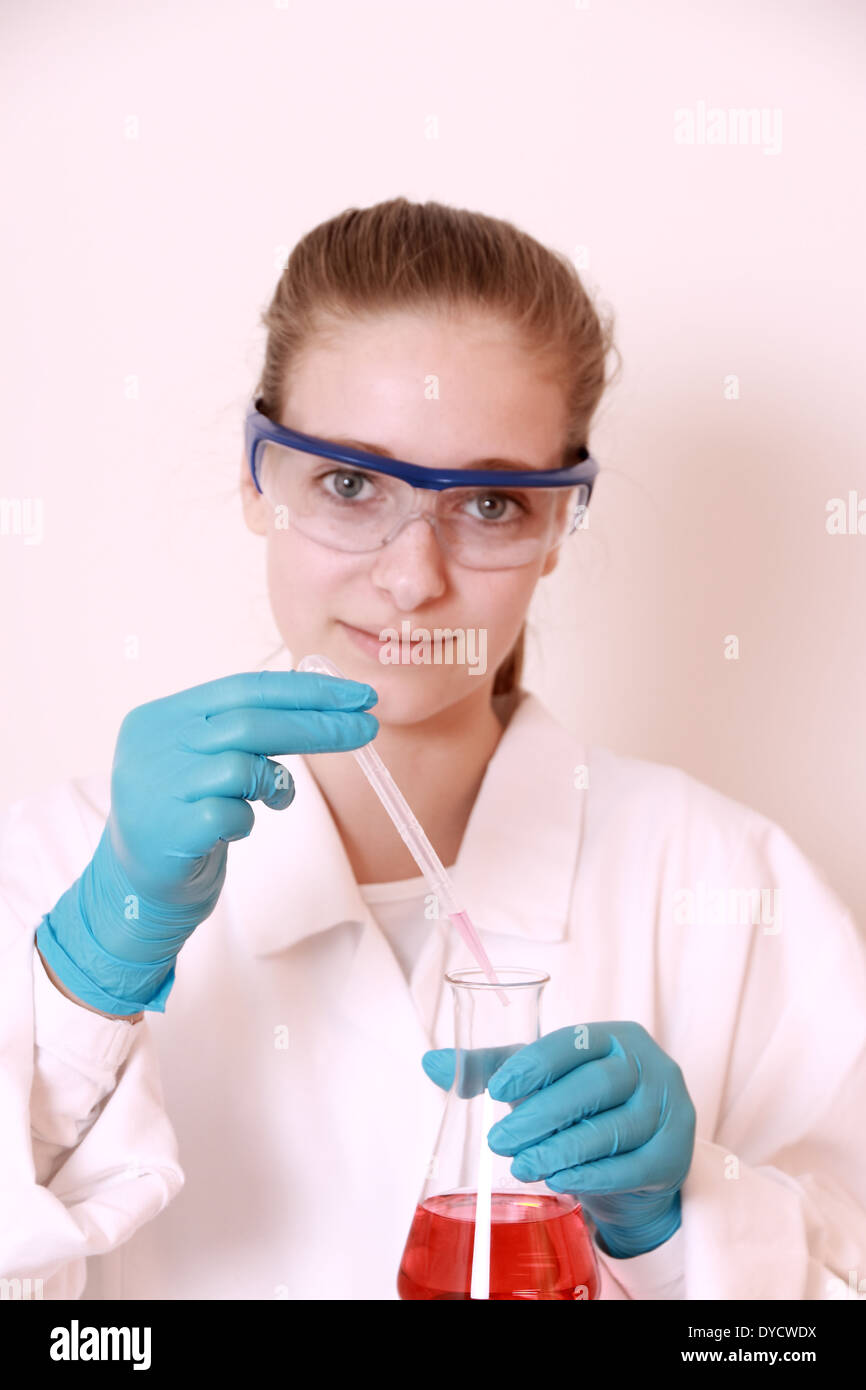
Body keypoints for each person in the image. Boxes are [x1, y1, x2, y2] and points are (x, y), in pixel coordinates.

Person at [1, 198, 864, 1302]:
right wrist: (84, 978)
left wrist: (679, 1223)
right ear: (257, 478)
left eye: (492, 503)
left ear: (559, 527)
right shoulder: (48, 862)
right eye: (350, 483)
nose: (412, 579)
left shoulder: (730, 888)